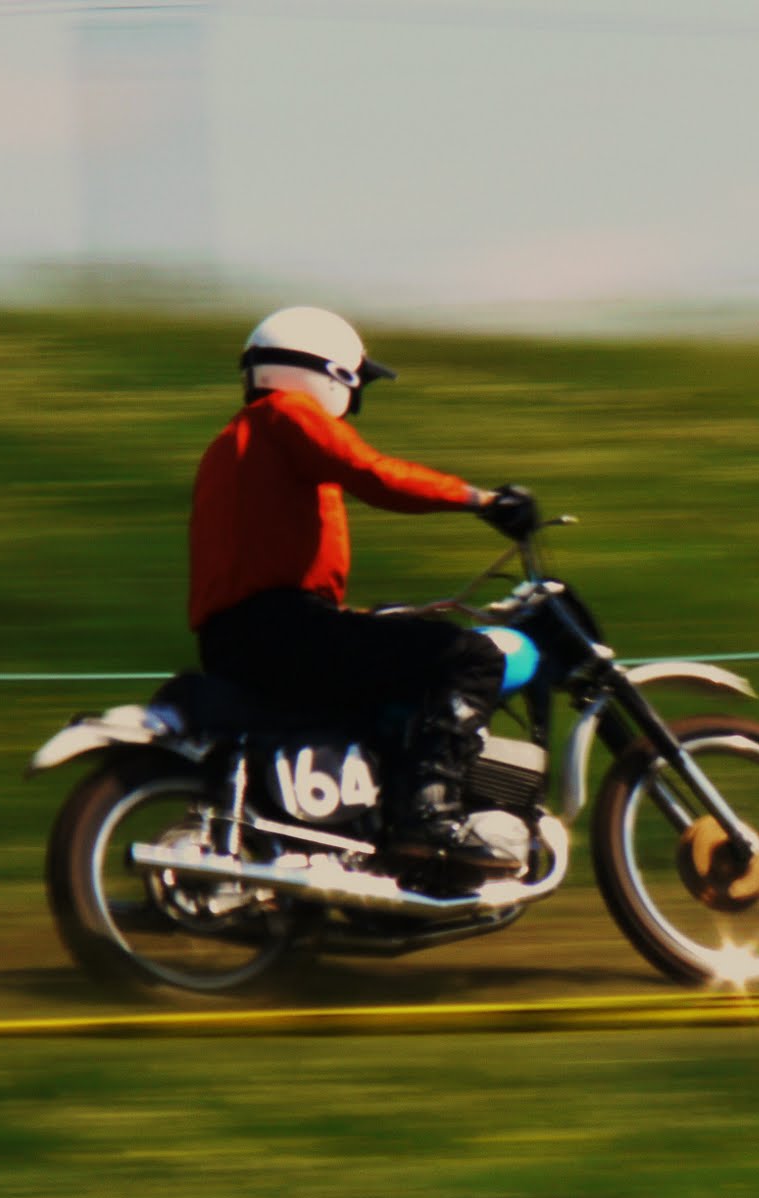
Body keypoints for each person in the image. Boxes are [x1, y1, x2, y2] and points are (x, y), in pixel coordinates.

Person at [187, 305, 536, 866]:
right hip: (284, 627)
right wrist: (484, 500)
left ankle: (367, 826)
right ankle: (429, 817)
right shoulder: (289, 415)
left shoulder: (232, 444)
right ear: (332, 375)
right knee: (469, 657)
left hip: (246, 635)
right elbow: (375, 475)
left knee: (390, 651)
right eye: (357, 385)